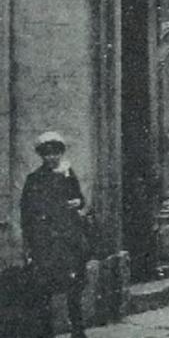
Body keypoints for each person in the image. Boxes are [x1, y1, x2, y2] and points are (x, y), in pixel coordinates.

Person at [20, 131, 89, 338]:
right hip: (47, 241)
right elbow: (27, 212)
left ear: (61, 153)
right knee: (45, 289)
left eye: (56, 153)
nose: (52, 158)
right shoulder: (34, 179)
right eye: (47, 154)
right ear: (42, 156)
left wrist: (78, 202)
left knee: (75, 288)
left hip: (70, 239)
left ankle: (78, 331)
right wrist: (30, 244)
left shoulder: (68, 174)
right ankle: (46, 332)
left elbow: (80, 199)